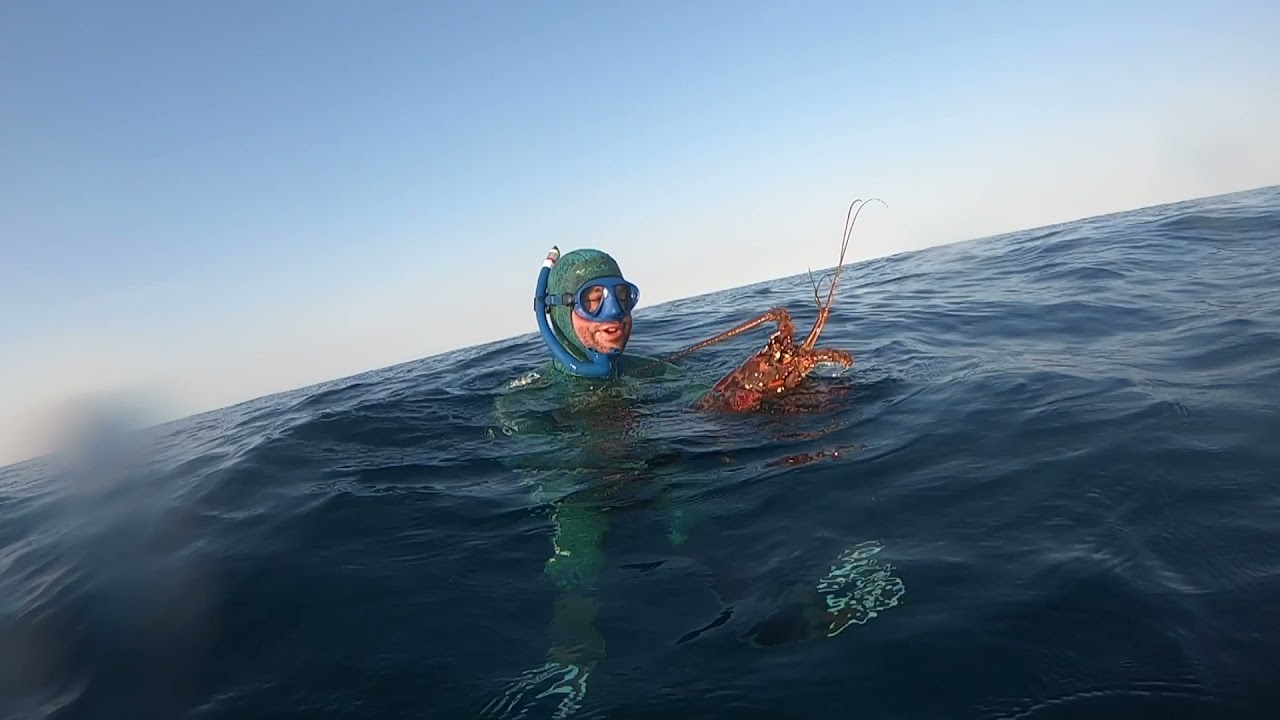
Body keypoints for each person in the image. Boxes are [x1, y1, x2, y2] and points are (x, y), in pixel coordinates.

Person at [485, 246, 905, 720]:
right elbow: (546, 469)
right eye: (593, 299)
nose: (612, 315)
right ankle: (570, 658)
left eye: (622, 298)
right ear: (560, 312)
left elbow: (706, 407)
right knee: (578, 543)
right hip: (588, 488)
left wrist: (786, 402)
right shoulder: (522, 400)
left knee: (697, 517)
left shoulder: (657, 371)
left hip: (668, 468)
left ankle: (801, 606)